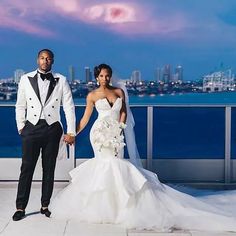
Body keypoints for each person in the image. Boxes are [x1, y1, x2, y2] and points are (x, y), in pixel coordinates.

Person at [51, 64, 236, 232]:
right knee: (103, 165)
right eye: (101, 76)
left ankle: (121, 206)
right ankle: (104, 207)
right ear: (96, 77)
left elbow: (123, 112)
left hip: (116, 134)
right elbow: (85, 118)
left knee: (117, 165)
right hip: (98, 135)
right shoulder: (92, 95)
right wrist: (73, 133)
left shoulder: (119, 92)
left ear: (110, 77)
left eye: (108, 76)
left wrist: (120, 129)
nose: (105, 79)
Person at [13, 49, 76, 221]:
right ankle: (20, 207)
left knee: (49, 168)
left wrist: (71, 131)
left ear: (52, 61)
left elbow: (69, 107)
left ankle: (45, 205)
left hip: (52, 128)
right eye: (42, 58)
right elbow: (20, 105)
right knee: (27, 168)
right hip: (31, 128)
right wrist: (21, 127)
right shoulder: (25, 79)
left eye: (48, 58)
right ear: (37, 60)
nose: (45, 61)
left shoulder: (61, 80)